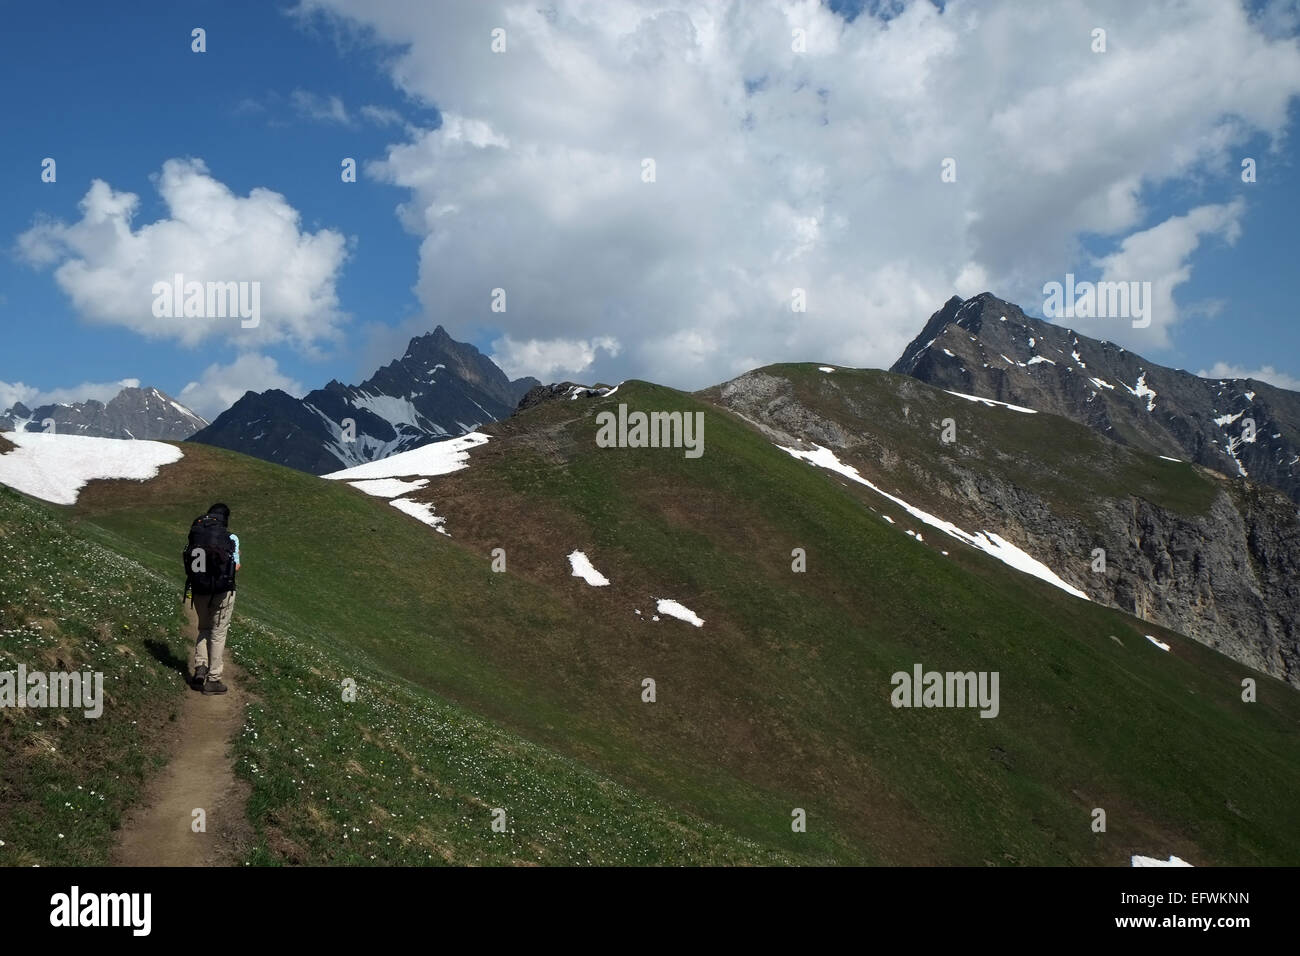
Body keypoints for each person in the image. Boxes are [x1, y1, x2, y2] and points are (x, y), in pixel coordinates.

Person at [183, 502, 241, 695]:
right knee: (218, 633)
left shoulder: (197, 534)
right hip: (222, 592)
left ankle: (200, 668)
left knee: (204, 628)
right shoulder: (230, 537)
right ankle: (214, 679)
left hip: (199, 588)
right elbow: (236, 567)